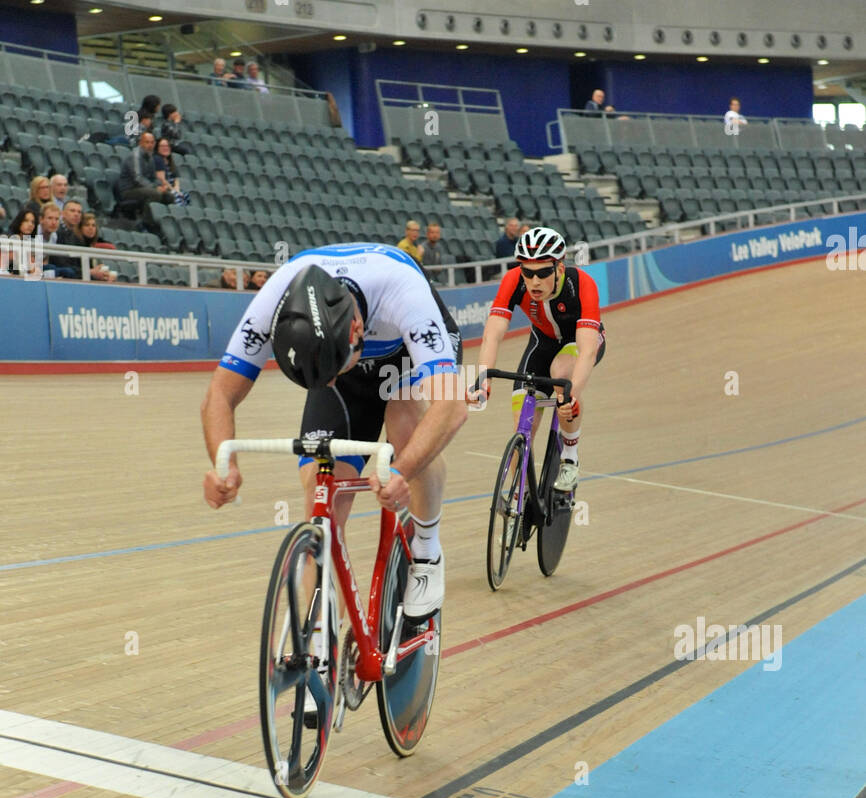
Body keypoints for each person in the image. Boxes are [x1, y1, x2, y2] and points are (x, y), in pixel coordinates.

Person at [201, 244, 468, 637]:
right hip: (343, 360)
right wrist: (223, 466)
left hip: (405, 354)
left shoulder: (403, 291)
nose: (323, 385)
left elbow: (452, 406)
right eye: (315, 379)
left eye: (327, 373)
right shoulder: (276, 299)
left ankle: (427, 551)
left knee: (405, 423)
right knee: (323, 500)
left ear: (356, 330)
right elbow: (219, 395)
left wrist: (401, 470)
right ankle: (316, 648)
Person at [472, 226, 605, 493]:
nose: (534, 281)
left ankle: (570, 457)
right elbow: (492, 336)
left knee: (561, 372)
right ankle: (517, 505)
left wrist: (572, 396)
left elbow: (587, 350)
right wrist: (481, 379)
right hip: (542, 343)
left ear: (559, 267)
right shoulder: (513, 280)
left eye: (543, 273)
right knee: (523, 429)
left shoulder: (581, 284)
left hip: (578, 342)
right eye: (527, 272)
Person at [115, 133, 165, 233]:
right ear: (140, 143)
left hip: (143, 189)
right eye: (147, 142)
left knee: (169, 196)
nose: (150, 145)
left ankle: (164, 225)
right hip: (129, 190)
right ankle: (146, 224)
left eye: (152, 142)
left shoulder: (150, 157)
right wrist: (155, 188)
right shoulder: (135, 156)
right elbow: (138, 178)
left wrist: (160, 185)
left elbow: (153, 178)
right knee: (155, 194)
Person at [80, 212, 117, 282]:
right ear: (80, 227)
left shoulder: (94, 243)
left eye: (93, 225)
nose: (91, 228)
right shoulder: (77, 243)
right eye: (87, 225)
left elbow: (112, 247)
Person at [153, 138, 189, 204]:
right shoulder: (157, 159)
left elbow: (176, 177)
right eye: (162, 146)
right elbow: (162, 179)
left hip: (172, 188)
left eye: (167, 146)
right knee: (177, 197)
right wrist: (173, 190)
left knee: (185, 195)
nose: (165, 148)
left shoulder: (169, 160)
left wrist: (177, 188)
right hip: (164, 188)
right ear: (157, 148)